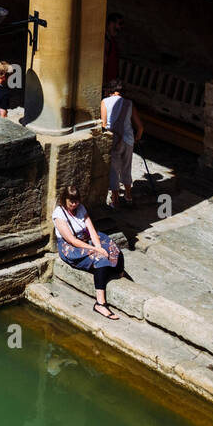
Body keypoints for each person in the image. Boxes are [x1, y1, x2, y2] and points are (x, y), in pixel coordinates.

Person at [53, 185, 124, 321]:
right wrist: (97, 250)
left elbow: (91, 230)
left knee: (115, 250)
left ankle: (114, 272)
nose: (74, 204)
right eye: (71, 202)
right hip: (70, 247)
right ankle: (100, 303)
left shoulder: (81, 208)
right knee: (100, 259)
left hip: (85, 238)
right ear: (64, 200)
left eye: (76, 201)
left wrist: (98, 245)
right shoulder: (59, 214)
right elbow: (72, 240)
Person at [101, 78, 143, 208]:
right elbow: (140, 127)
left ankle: (115, 199)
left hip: (114, 139)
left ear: (110, 91)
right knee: (126, 167)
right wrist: (137, 138)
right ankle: (128, 195)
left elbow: (103, 124)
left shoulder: (105, 102)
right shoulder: (129, 103)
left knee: (114, 169)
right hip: (128, 139)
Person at [104, 12, 123, 84]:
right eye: (120, 24)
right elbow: (103, 63)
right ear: (111, 24)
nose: (120, 28)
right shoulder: (105, 40)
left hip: (110, 81)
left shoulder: (112, 41)